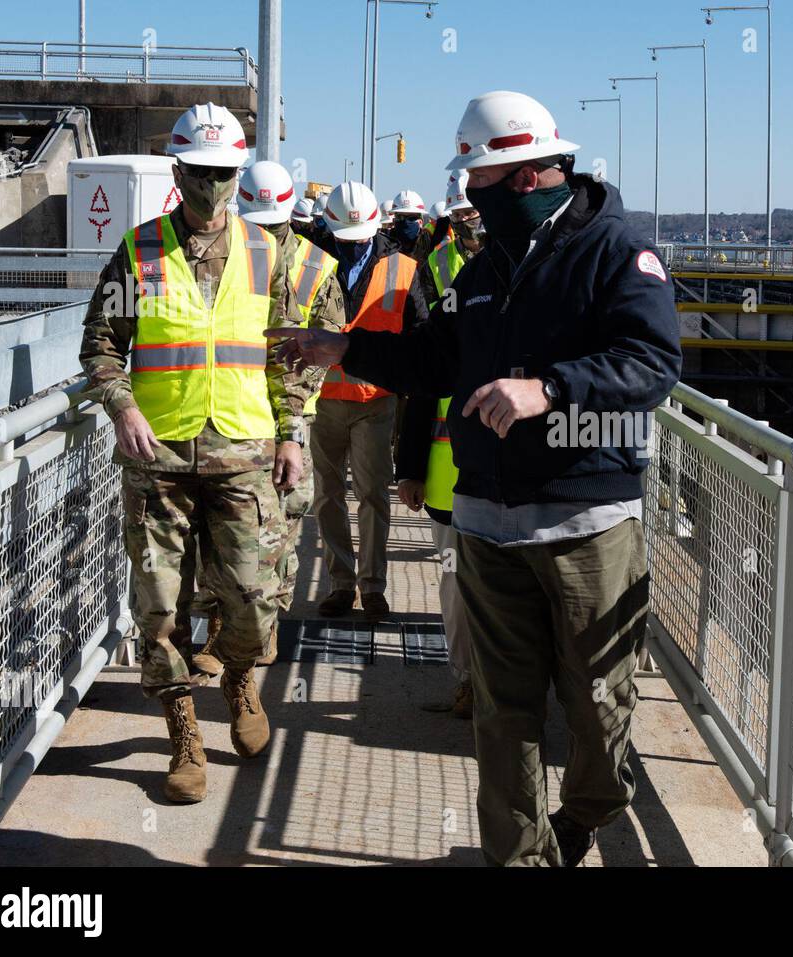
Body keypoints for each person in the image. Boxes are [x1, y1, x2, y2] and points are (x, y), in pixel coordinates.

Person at [267, 90, 681, 866]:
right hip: (489, 527)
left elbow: (653, 363)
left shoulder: (617, 254)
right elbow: (432, 359)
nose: (469, 196)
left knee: (598, 712)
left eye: (478, 179)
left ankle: (589, 807)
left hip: (586, 527)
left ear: (524, 176)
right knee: (503, 716)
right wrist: (342, 349)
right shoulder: (486, 266)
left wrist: (549, 387)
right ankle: (519, 857)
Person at [80, 102, 307, 804]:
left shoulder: (268, 254)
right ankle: (184, 734)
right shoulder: (139, 249)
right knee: (159, 604)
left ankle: (239, 677)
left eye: (225, 175)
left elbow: (288, 355)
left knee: (254, 597)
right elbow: (101, 342)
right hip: (160, 462)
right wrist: (122, 407)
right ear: (179, 171)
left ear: (239, 175)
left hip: (243, 453)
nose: (213, 188)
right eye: (201, 174)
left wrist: (293, 431)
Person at [192, 160, 346, 677]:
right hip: (230, 422)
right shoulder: (225, 253)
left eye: (274, 226)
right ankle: (222, 632)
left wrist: (292, 427)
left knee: (278, 530)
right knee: (224, 536)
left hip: (286, 421)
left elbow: (321, 356)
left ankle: (267, 628)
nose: (266, 234)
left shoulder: (317, 268)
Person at [311, 180, 426, 619]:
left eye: (359, 240)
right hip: (324, 399)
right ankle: (341, 585)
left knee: (374, 494)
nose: (353, 247)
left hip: (376, 399)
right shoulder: (315, 261)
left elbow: (419, 335)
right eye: (346, 239)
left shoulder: (403, 268)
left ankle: (373, 586)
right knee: (327, 495)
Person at [396, 169, 484, 717]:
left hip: (521, 475)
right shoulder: (434, 271)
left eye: (477, 216)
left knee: (510, 592)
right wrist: (409, 466)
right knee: (455, 586)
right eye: (465, 218)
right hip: (450, 470)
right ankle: (468, 680)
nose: (473, 227)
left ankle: (509, 688)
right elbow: (422, 376)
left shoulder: (543, 264)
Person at [386, 189, 426, 257]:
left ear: (420, 222)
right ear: (394, 220)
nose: (405, 221)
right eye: (400, 217)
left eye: (411, 218)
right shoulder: (384, 247)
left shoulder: (429, 246)